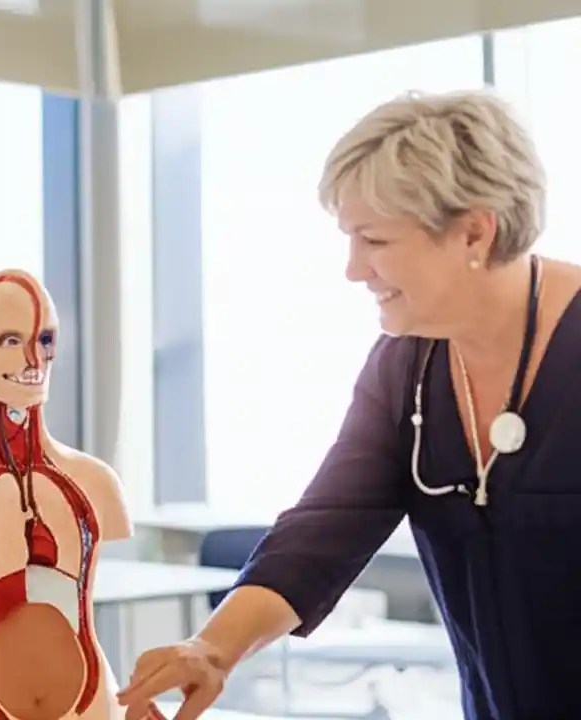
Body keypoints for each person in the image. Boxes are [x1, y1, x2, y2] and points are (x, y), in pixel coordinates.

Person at [118, 89, 581, 720]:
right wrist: (213, 649)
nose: (352, 269)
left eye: (374, 240)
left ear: (474, 230)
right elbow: (323, 530)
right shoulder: (406, 368)